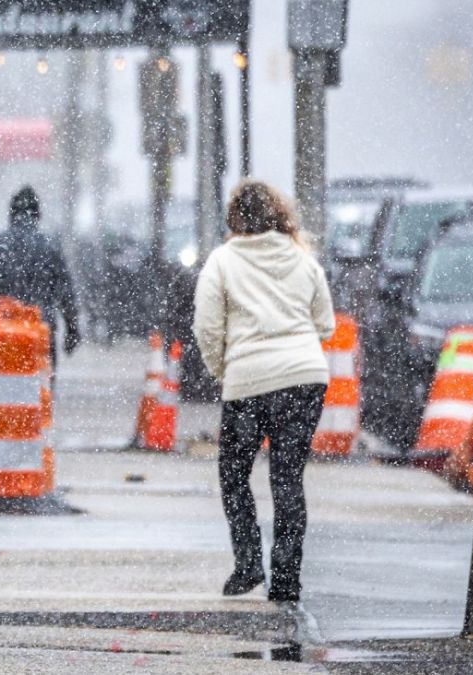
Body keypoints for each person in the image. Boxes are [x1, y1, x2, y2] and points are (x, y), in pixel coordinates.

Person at [192, 180, 335, 603]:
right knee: (288, 477)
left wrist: (226, 371)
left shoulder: (222, 261)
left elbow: (208, 327)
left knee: (234, 475)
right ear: (278, 214)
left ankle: (248, 562)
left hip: (248, 382)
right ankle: (287, 577)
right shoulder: (304, 260)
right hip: (304, 378)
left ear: (235, 219)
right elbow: (324, 324)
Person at [0, 186, 81, 365]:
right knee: (41, 387)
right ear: (38, 215)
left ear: (11, 214)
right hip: (41, 331)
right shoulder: (50, 246)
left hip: (5, 332)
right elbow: (65, 293)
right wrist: (72, 330)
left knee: (7, 384)